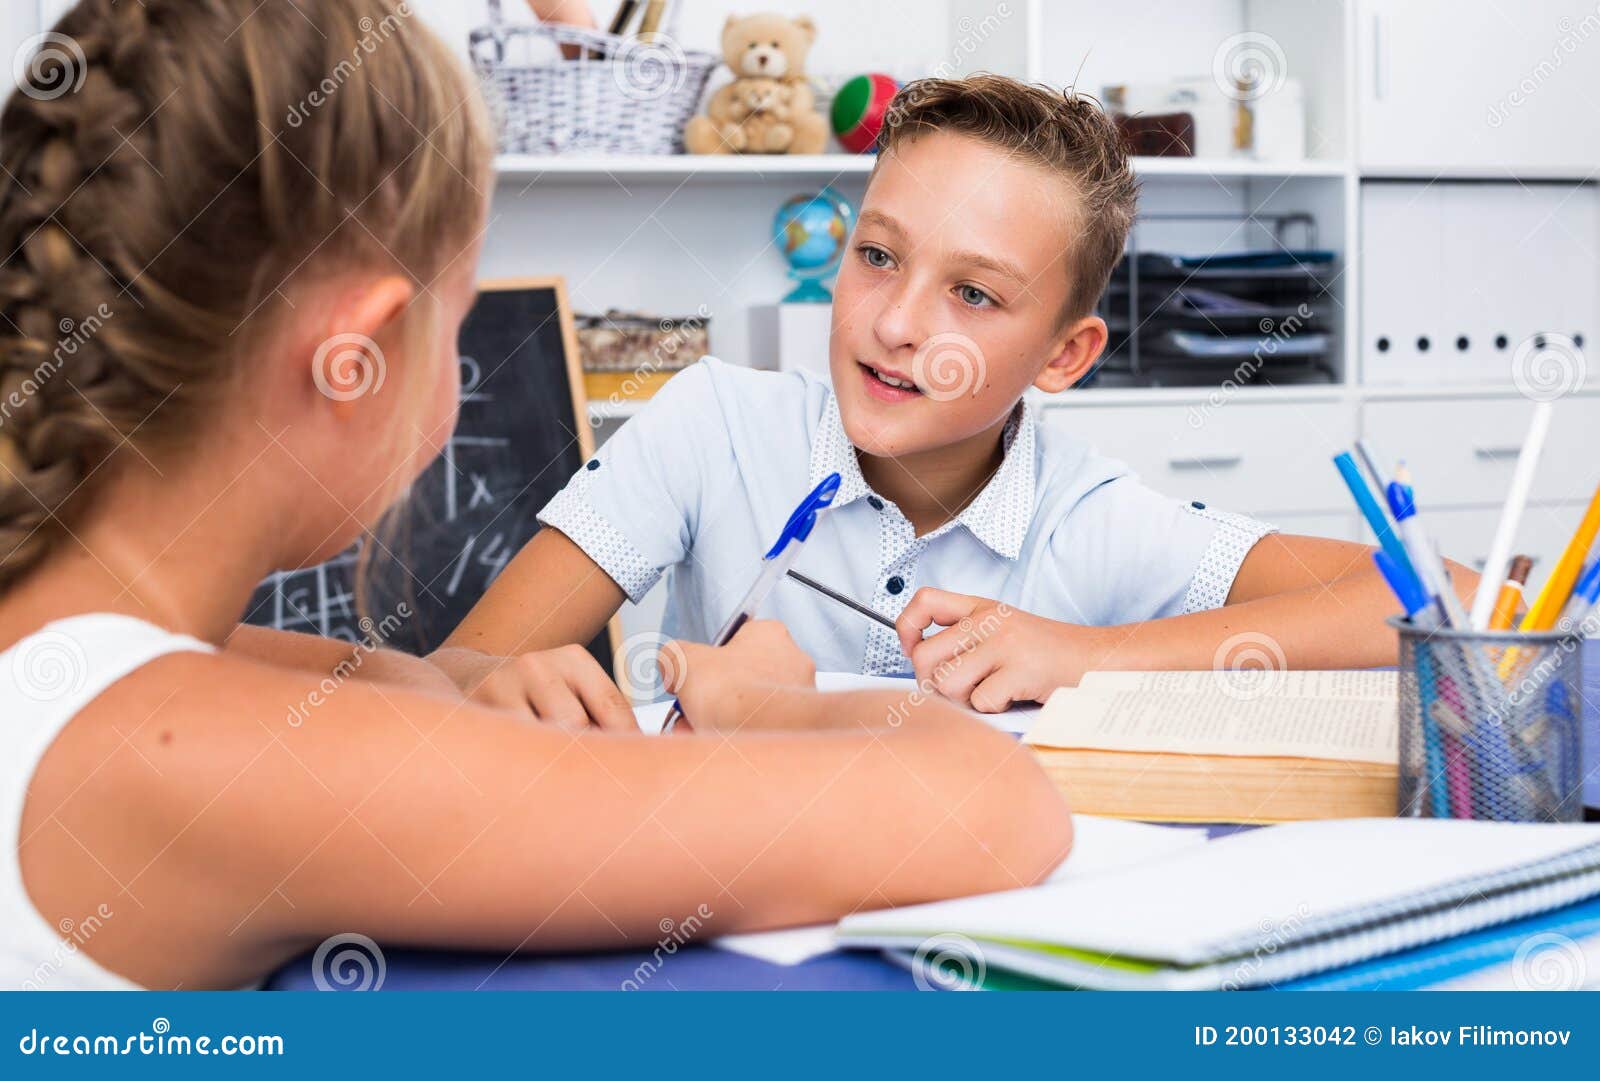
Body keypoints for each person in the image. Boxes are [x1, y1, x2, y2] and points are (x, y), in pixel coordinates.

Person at [0, 0, 1069, 991]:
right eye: (452, 320)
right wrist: (756, 700)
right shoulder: (194, 752)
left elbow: (413, 691)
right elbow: (992, 808)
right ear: (356, 356)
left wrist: (470, 699)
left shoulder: (106, 659)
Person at [437, 75, 1477, 713]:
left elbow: (1457, 599)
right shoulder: (712, 426)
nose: (896, 324)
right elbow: (460, 669)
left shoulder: (1087, 518)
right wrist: (494, 686)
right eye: (878, 255)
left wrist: (1082, 656)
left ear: (1064, 356)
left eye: (973, 293)